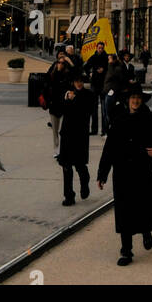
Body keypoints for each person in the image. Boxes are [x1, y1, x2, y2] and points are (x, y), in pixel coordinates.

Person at [97, 81, 152, 266]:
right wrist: (102, 173)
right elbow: (110, 148)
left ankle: (146, 231)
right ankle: (126, 251)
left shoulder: (148, 118)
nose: (135, 101)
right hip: (123, 172)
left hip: (142, 171)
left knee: (143, 206)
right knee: (124, 211)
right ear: (127, 100)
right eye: (132, 98)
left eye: (138, 98)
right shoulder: (119, 119)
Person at [58, 67, 92, 205]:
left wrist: (75, 99)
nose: (78, 83)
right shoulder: (67, 93)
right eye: (76, 81)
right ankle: (69, 195)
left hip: (80, 135)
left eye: (80, 81)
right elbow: (60, 111)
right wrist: (66, 99)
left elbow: (86, 111)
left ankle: (85, 183)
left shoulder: (88, 95)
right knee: (66, 167)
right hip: (67, 134)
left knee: (80, 165)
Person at [45, 55, 72, 155]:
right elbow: (46, 87)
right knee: (55, 130)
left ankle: (62, 148)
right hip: (53, 104)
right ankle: (56, 148)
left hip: (64, 105)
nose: (60, 65)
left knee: (63, 130)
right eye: (58, 63)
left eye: (62, 63)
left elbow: (71, 85)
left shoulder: (67, 75)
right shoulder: (52, 74)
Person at [85, 42, 110, 135]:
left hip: (103, 85)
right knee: (94, 109)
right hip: (94, 84)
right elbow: (86, 67)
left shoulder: (106, 57)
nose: (100, 49)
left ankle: (104, 130)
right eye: (99, 48)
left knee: (104, 109)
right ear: (96, 48)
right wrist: (90, 74)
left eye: (102, 48)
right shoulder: (93, 57)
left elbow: (110, 68)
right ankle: (94, 129)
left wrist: (104, 70)